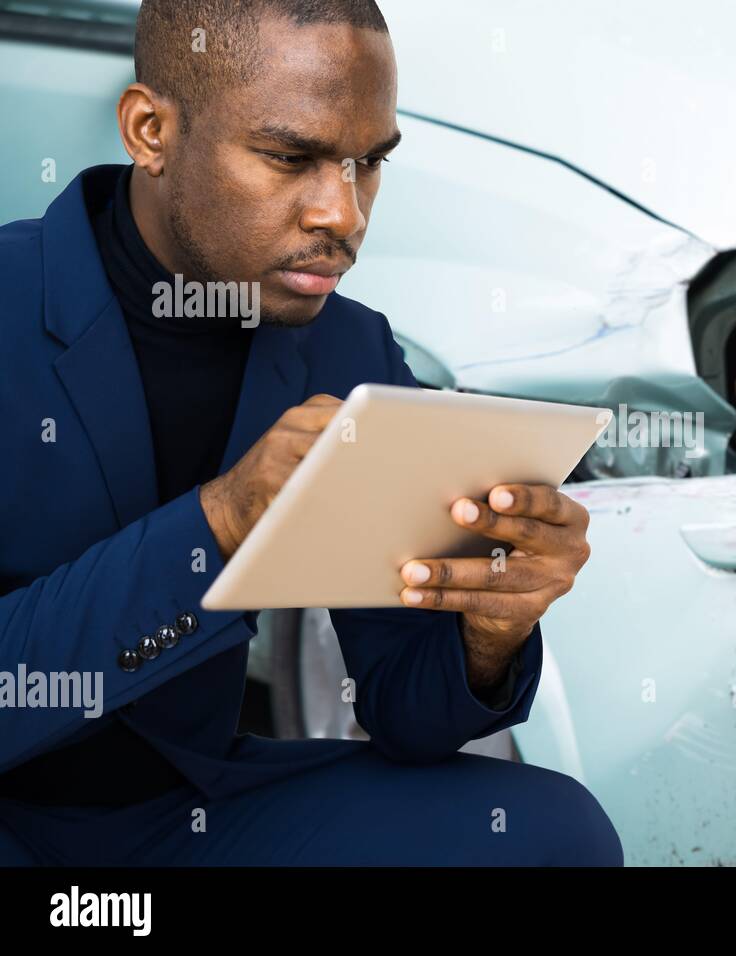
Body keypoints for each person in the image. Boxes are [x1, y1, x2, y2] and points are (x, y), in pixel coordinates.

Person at [0, 0, 622, 866]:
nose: (343, 213)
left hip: (189, 818)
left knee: (554, 833)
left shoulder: (347, 345)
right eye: (290, 157)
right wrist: (218, 523)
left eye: (368, 164)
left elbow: (408, 714)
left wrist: (489, 631)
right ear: (150, 131)